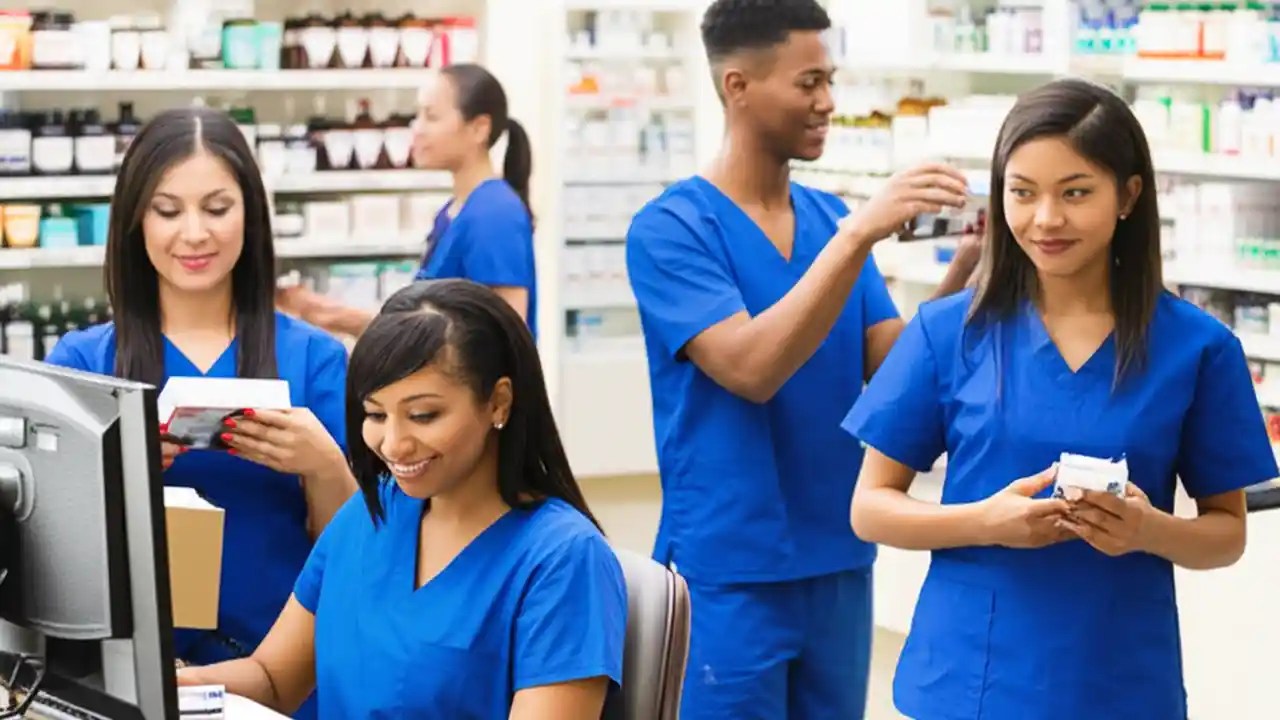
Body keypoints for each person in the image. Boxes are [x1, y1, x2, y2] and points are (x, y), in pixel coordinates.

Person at [843, 78, 1278, 720]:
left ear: (1128, 196)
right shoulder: (947, 333)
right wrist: (984, 521)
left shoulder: (1198, 348)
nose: (1045, 219)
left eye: (1075, 193)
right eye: (1022, 193)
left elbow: (1225, 535)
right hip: (971, 681)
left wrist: (1147, 528)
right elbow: (870, 509)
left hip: (1119, 680)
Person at [623, 1, 980, 717]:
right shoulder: (672, 229)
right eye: (809, 82)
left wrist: (973, 261)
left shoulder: (825, 218)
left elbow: (896, 366)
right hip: (730, 567)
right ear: (737, 86)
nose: (827, 102)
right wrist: (860, 237)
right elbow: (751, 369)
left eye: (830, 80)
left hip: (838, 556)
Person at [176, 279, 627, 719]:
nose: (393, 444)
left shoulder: (563, 560)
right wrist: (166, 687)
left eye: (422, 415)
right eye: (375, 414)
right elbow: (272, 680)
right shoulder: (370, 515)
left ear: (498, 402)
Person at [45, 106, 354, 720]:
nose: (194, 234)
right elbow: (47, 553)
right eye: (168, 210)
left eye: (217, 208)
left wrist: (323, 467)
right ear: (136, 218)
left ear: (251, 214)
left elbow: (361, 551)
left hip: (286, 683)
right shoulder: (81, 362)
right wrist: (116, 479)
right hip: (123, 682)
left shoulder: (313, 359)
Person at [278, 63, 538, 341]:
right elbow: (432, 323)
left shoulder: (495, 214)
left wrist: (339, 317)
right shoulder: (453, 212)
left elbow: (504, 338)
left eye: (431, 117)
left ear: (479, 129)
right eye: (417, 115)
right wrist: (327, 313)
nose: (416, 128)